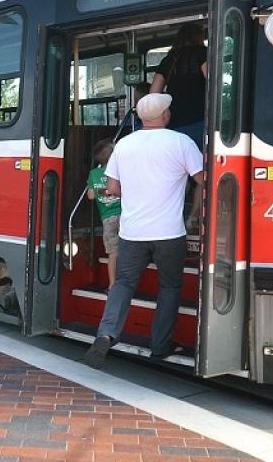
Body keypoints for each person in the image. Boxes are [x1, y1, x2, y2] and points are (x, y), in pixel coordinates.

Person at [84, 93, 204, 368]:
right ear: (165, 115)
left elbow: (112, 188)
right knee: (169, 287)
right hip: (169, 234)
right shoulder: (181, 142)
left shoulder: (123, 145)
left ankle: (106, 333)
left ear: (140, 118)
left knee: (124, 284)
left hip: (132, 233)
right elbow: (202, 179)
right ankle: (160, 346)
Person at [150, 23, 208, 147]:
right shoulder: (202, 53)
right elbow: (213, 80)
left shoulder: (168, 59)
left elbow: (153, 92)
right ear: (198, 37)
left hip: (174, 121)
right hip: (199, 118)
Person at [83, 139, 121, 286]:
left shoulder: (94, 173)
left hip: (107, 218)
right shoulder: (119, 171)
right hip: (124, 214)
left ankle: (112, 284)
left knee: (113, 252)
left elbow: (91, 195)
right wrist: (112, 190)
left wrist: (103, 191)